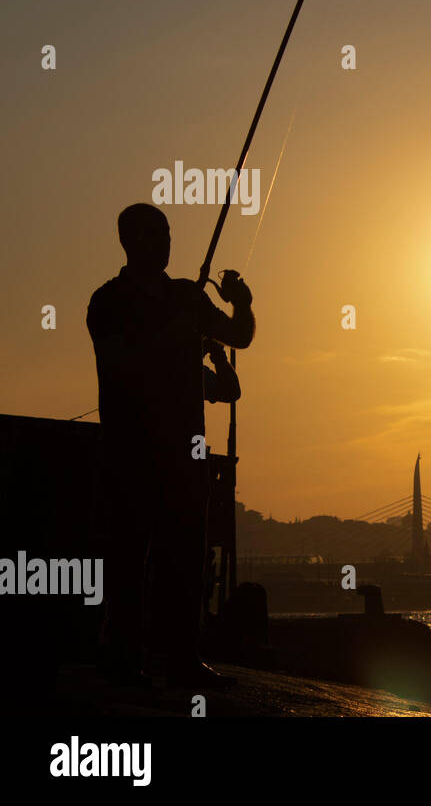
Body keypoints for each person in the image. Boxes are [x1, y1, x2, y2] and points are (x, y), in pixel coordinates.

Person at [86, 202, 254, 688]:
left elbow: (239, 334)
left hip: (186, 457)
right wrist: (178, 331)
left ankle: (183, 658)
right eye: (156, 234)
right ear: (130, 241)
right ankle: (123, 658)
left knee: (185, 555)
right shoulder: (107, 302)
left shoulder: (187, 297)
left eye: (168, 233)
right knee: (128, 557)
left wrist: (241, 301)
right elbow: (125, 363)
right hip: (130, 454)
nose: (166, 243)